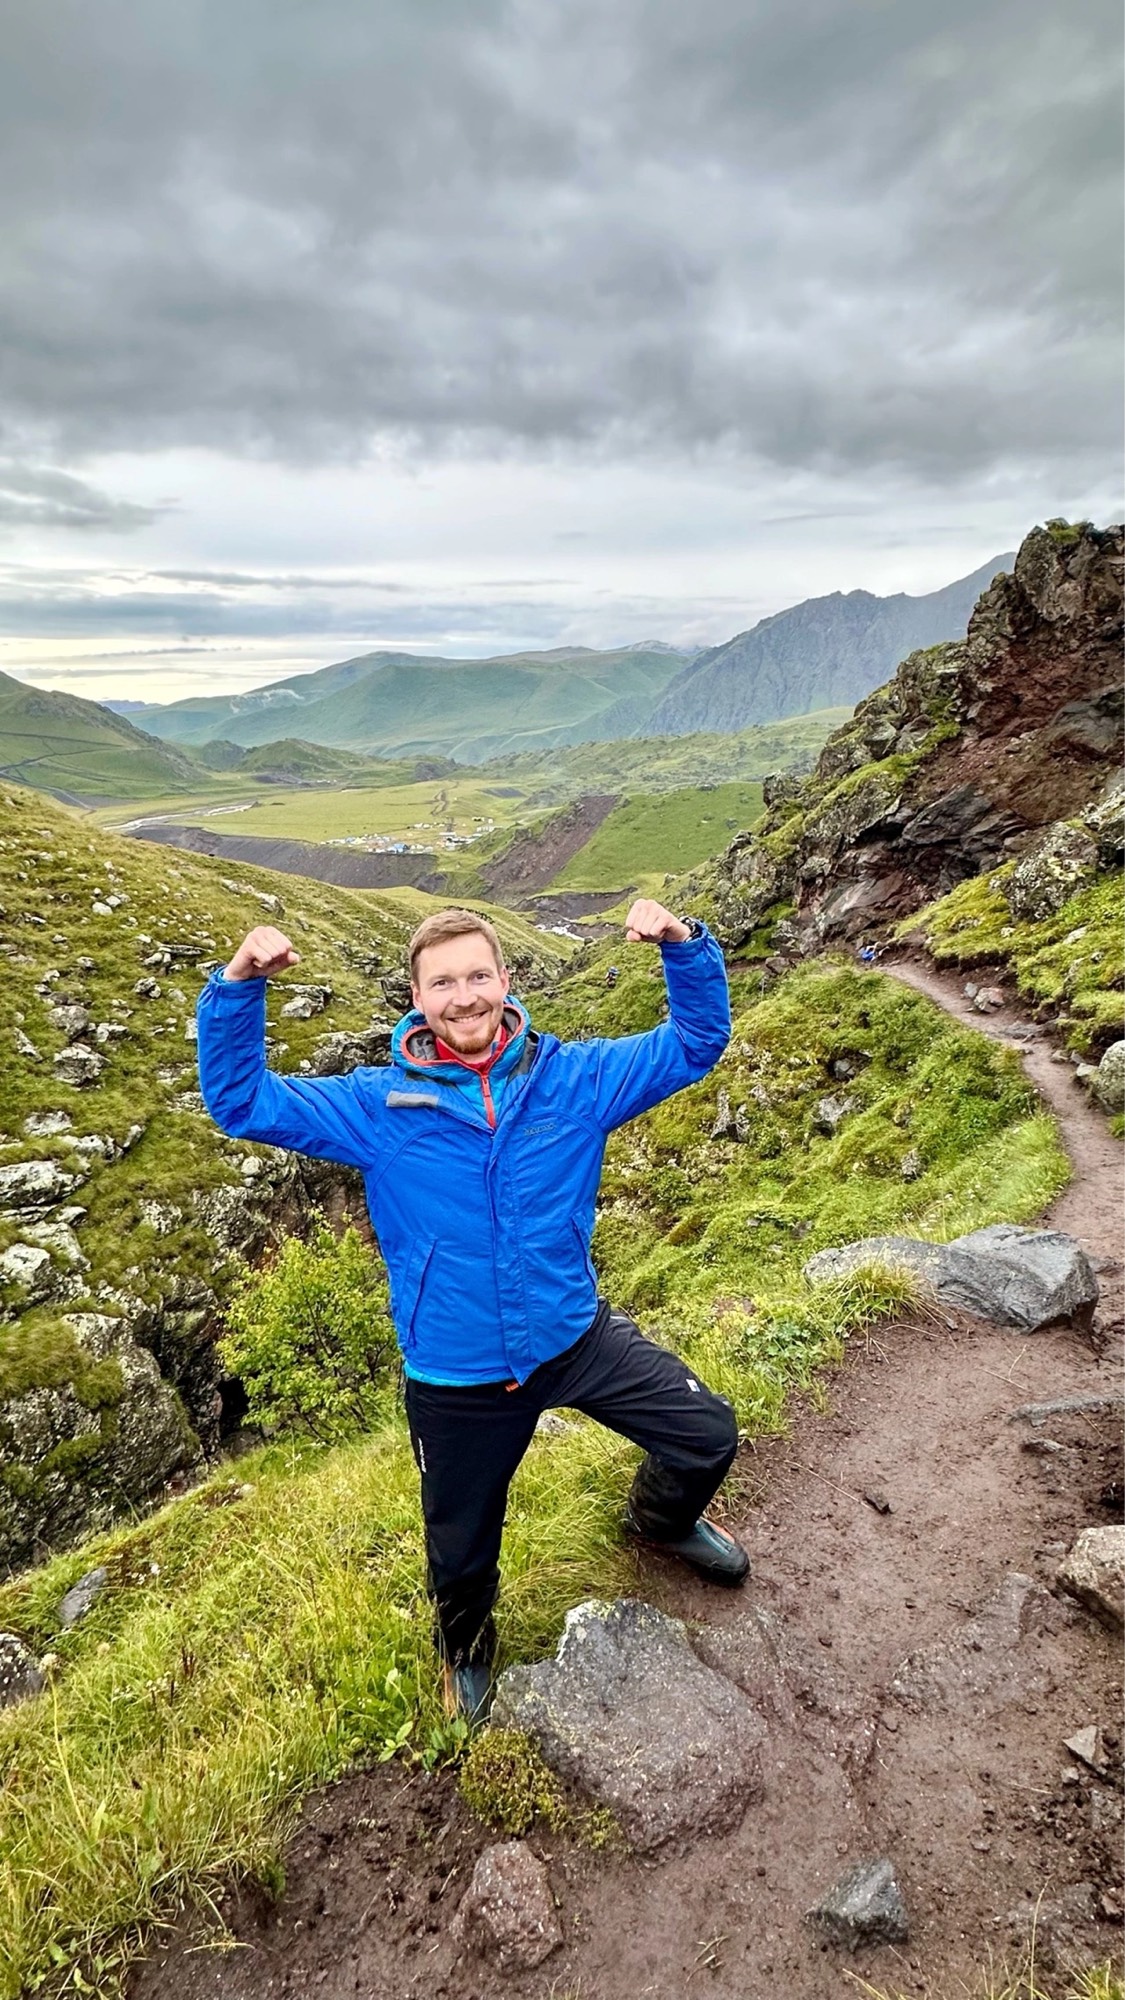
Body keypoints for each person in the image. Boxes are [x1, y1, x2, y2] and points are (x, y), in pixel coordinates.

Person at [197, 899, 749, 1721]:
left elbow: (696, 1043)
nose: (463, 997)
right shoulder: (375, 1107)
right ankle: (465, 1651)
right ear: (416, 999)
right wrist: (238, 987)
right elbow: (240, 1102)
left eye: (477, 976)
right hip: (455, 1372)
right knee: (460, 1547)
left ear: (505, 981)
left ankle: (659, 1521)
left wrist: (682, 945)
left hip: (572, 1336)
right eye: (442, 982)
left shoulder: (577, 1081)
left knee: (707, 1436)